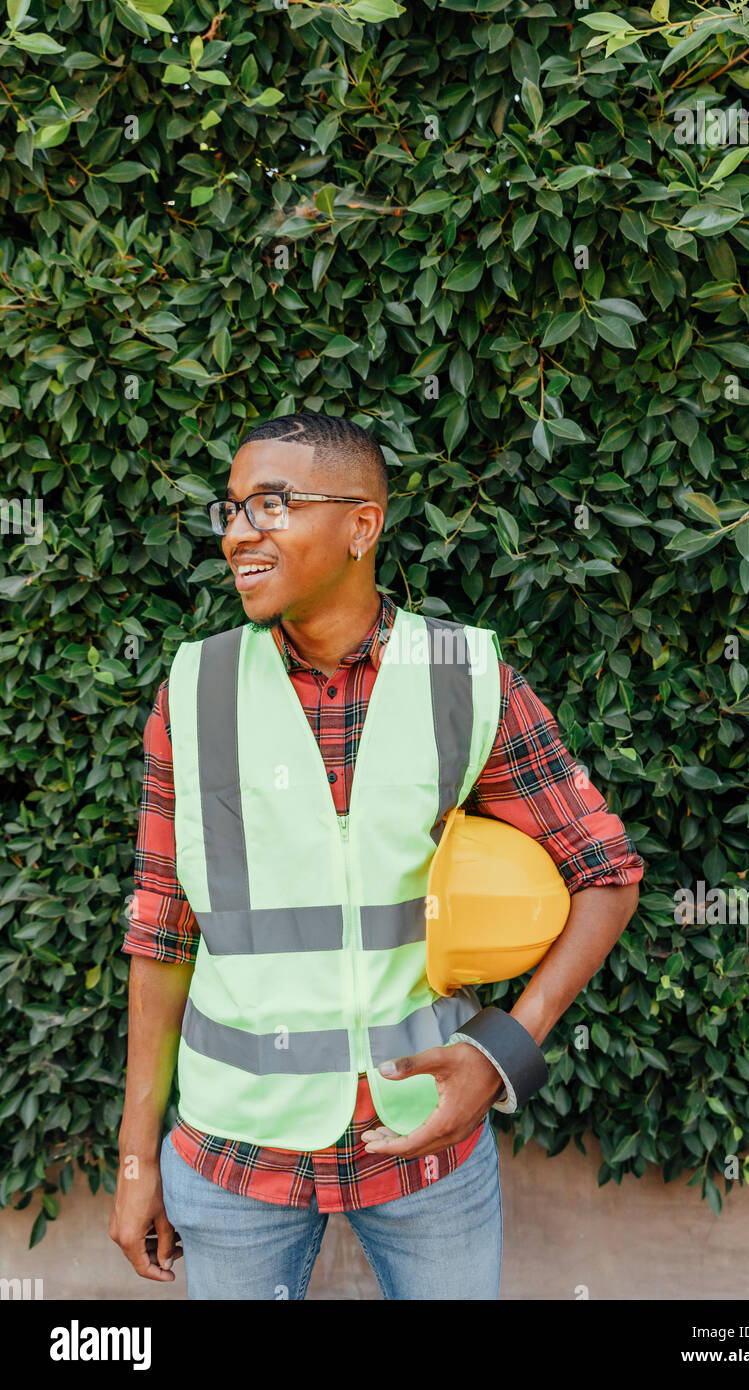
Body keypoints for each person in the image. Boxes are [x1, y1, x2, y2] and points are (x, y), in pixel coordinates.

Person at [110, 412, 643, 1300]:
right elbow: (162, 928)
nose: (241, 531)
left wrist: (501, 1053)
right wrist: (135, 1161)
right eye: (233, 508)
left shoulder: (463, 676)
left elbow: (608, 875)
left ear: (363, 525)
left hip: (427, 1151)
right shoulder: (193, 689)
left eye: (272, 505)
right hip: (233, 1156)